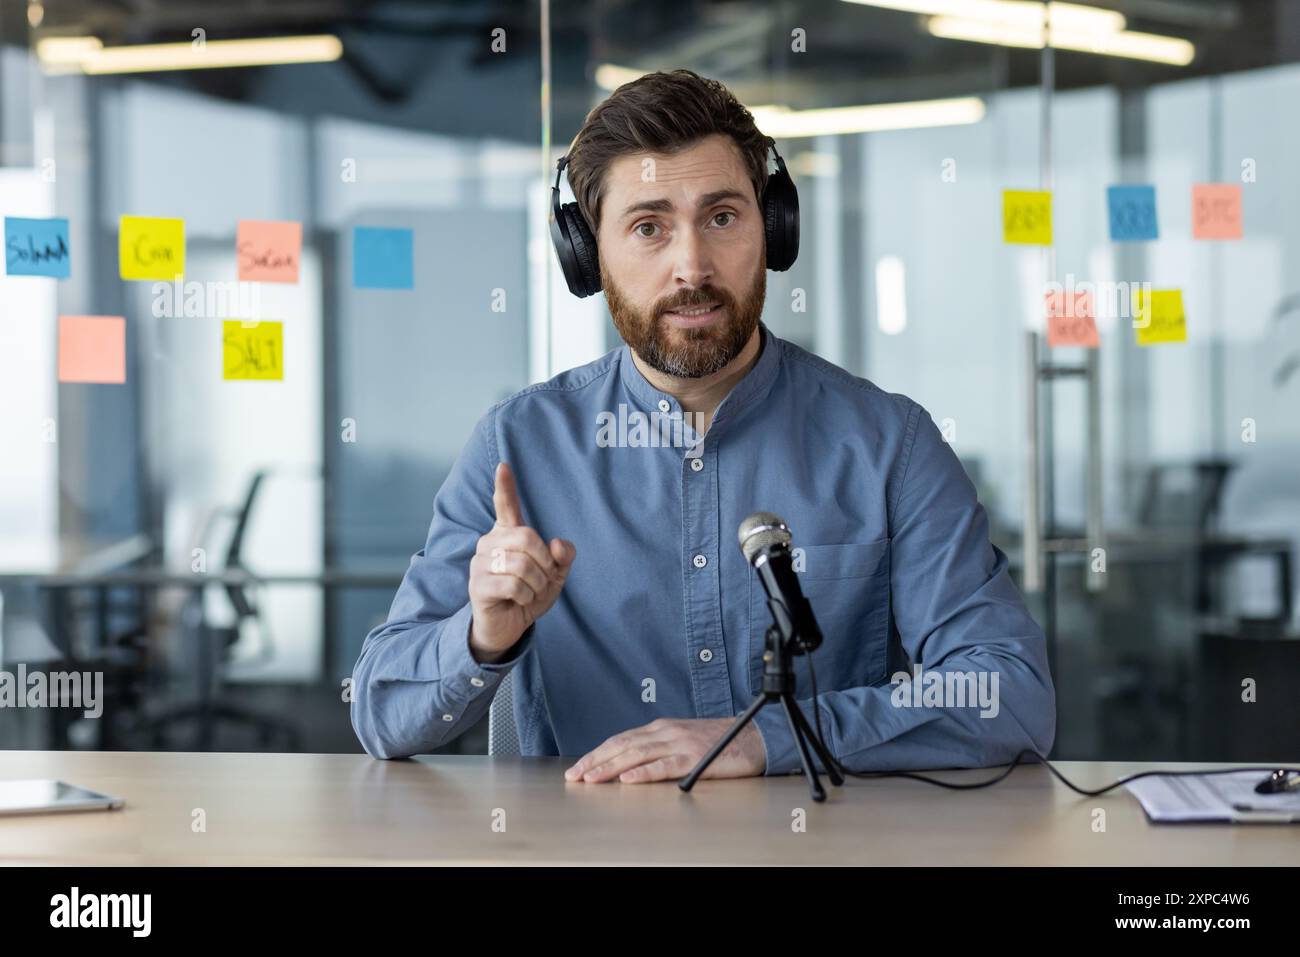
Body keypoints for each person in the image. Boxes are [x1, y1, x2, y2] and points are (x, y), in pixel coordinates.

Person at [350, 69, 1055, 782]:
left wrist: (769, 738)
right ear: (589, 253)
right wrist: (481, 636)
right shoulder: (518, 446)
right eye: (649, 226)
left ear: (772, 228)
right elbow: (379, 712)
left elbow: (1012, 695)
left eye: (721, 217)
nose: (692, 266)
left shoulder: (889, 445)